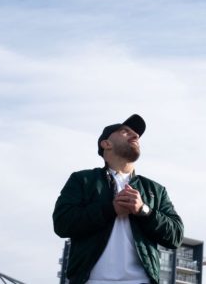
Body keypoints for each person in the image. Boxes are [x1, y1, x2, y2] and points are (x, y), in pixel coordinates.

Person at [53, 114, 184, 284]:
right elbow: (62, 223)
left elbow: (176, 235)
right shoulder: (83, 180)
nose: (135, 136)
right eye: (125, 132)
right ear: (106, 144)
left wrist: (144, 210)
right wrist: (110, 210)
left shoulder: (155, 190)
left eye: (136, 134)